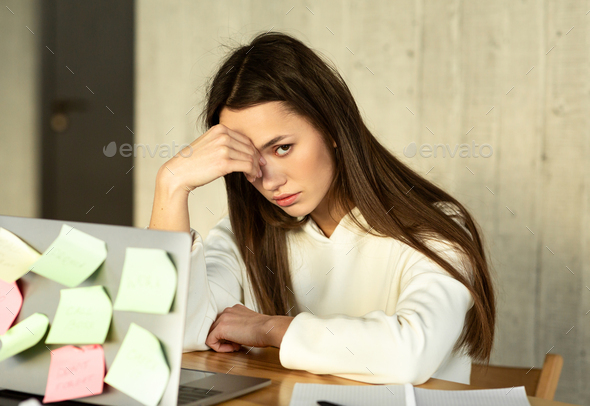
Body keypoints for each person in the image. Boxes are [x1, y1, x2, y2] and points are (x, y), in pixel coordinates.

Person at [148, 31, 496, 385]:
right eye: (247, 158)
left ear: (331, 127)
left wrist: (269, 328)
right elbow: (168, 334)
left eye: (282, 148)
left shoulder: (432, 230)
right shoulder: (243, 234)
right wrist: (171, 186)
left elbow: (410, 355)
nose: (268, 180)